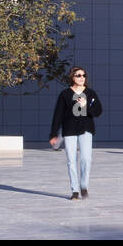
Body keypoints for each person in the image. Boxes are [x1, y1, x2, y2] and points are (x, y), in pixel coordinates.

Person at [48, 66, 103, 200]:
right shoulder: (65, 94)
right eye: (78, 75)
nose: (82, 78)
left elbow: (98, 112)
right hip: (69, 130)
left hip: (86, 129)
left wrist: (86, 105)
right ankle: (75, 190)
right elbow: (58, 115)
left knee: (86, 159)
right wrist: (53, 134)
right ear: (72, 77)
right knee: (71, 161)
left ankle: (84, 185)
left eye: (83, 75)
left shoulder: (90, 93)